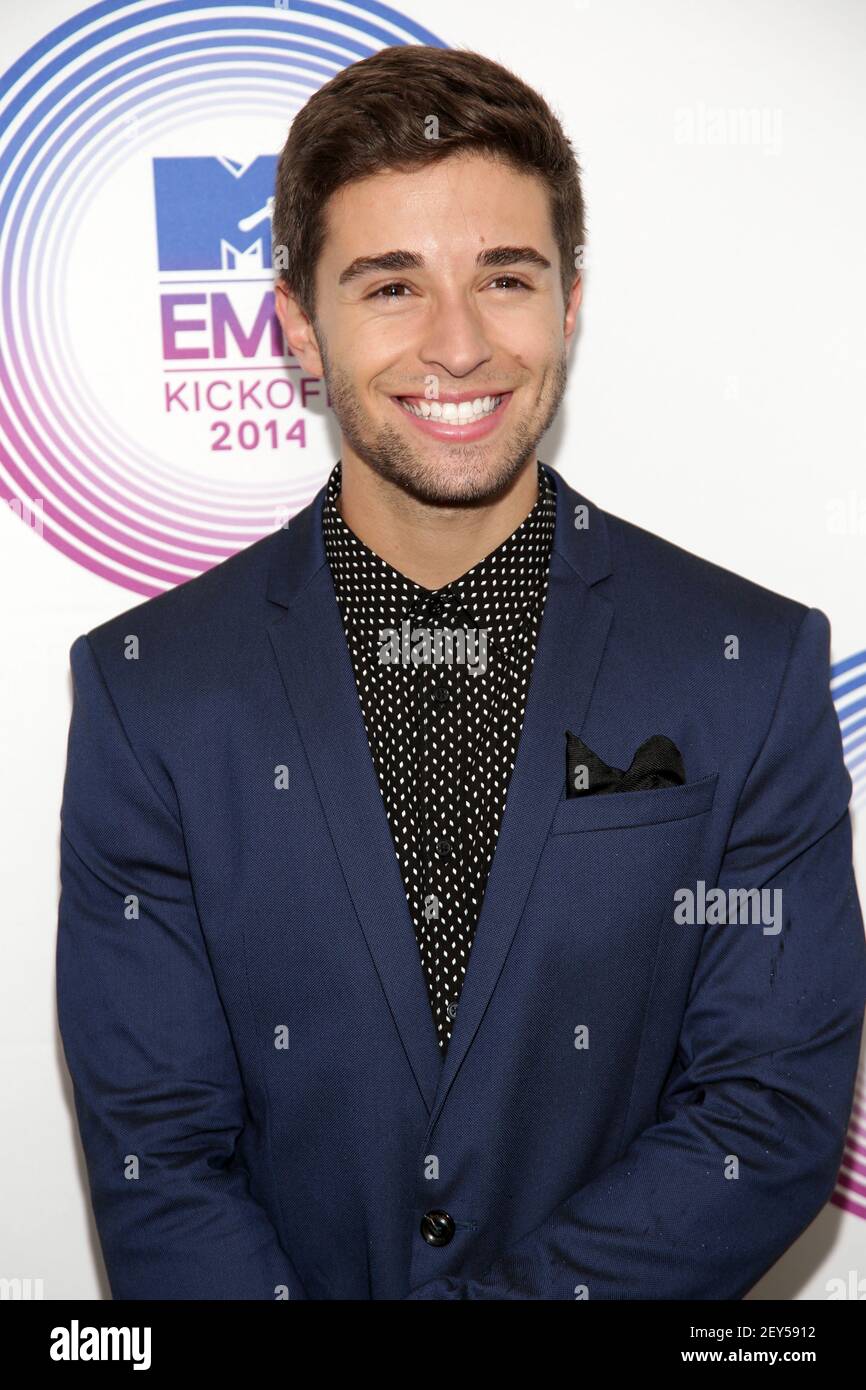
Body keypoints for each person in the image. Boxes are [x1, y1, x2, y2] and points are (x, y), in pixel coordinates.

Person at [57, 43, 866, 1301]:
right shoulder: (151, 689)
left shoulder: (746, 666)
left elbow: (762, 1119)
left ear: (569, 303)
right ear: (297, 325)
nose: (457, 344)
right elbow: (158, 1152)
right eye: (390, 285)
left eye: (503, 277)